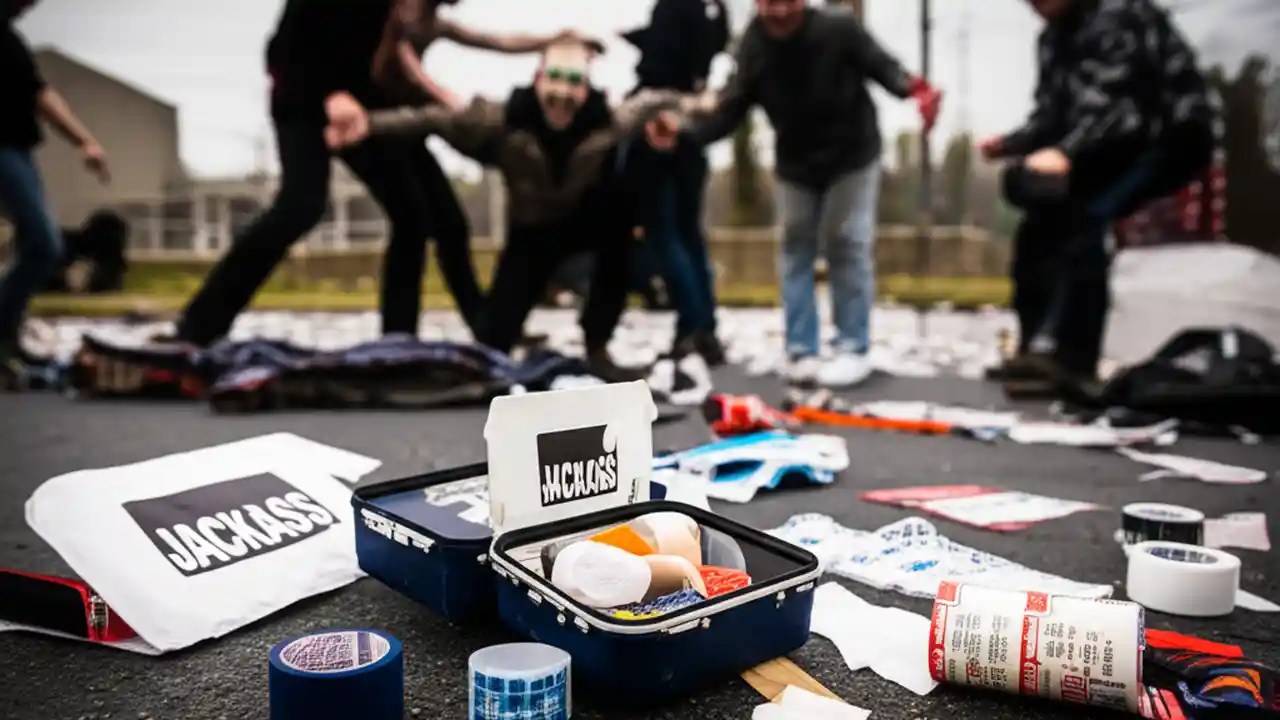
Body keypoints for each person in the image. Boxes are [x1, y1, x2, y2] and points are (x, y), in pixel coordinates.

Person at [173, 0, 582, 348]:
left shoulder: (408, 17)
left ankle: (399, 340)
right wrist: (328, 94)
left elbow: (414, 64)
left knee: (421, 216)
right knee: (300, 206)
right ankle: (200, 326)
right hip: (301, 102)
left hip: (369, 113)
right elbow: (284, 48)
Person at [326, 40, 706, 381]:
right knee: (495, 343)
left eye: (574, 82)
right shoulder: (503, 120)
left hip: (585, 225)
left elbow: (656, 102)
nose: (562, 96)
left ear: (586, 87)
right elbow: (433, 119)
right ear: (538, 79)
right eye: (554, 79)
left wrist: (692, 110)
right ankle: (498, 339)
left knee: (620, 223)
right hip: (532, 233)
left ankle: (597, 345)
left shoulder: (606, 122)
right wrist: (368, 125)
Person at [656, 0, 941, 387]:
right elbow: (731, 110)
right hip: (796, 164)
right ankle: (801, 348)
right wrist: (685, 135)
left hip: (851, 155)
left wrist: (914, 91)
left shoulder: (838, 28)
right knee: (795, 249)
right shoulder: (753, 44)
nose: (778, 12)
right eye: (768, 3)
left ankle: (852, 346)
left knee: (847, 242)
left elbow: (882, 66)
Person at [978, 0, 1213, 389]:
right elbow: (1051, 115)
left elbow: (1117, 109)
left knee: (1083, 221)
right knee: (1037, 228)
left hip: (1166, 134)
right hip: (1104, 140)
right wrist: (1012, 144)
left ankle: (1073, 359)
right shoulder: (1052, 38)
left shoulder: (1116, 16)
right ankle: (1035, 346)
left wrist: (1066, 152)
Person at [1, 0, 109, 386]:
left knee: (39, 244)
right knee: (42, 243)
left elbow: (39, 94)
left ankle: (7, 337)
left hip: (18, 148)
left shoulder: (10, 39)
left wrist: (85, 141)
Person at [622, 0, 730, 366]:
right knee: (689, 234)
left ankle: (692, 326)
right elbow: (706, 45)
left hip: (661, 124)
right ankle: (705, 327)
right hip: (689, 127)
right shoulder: (708, 9)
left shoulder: (672, 6)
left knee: (665, 232)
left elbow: (662, 59)